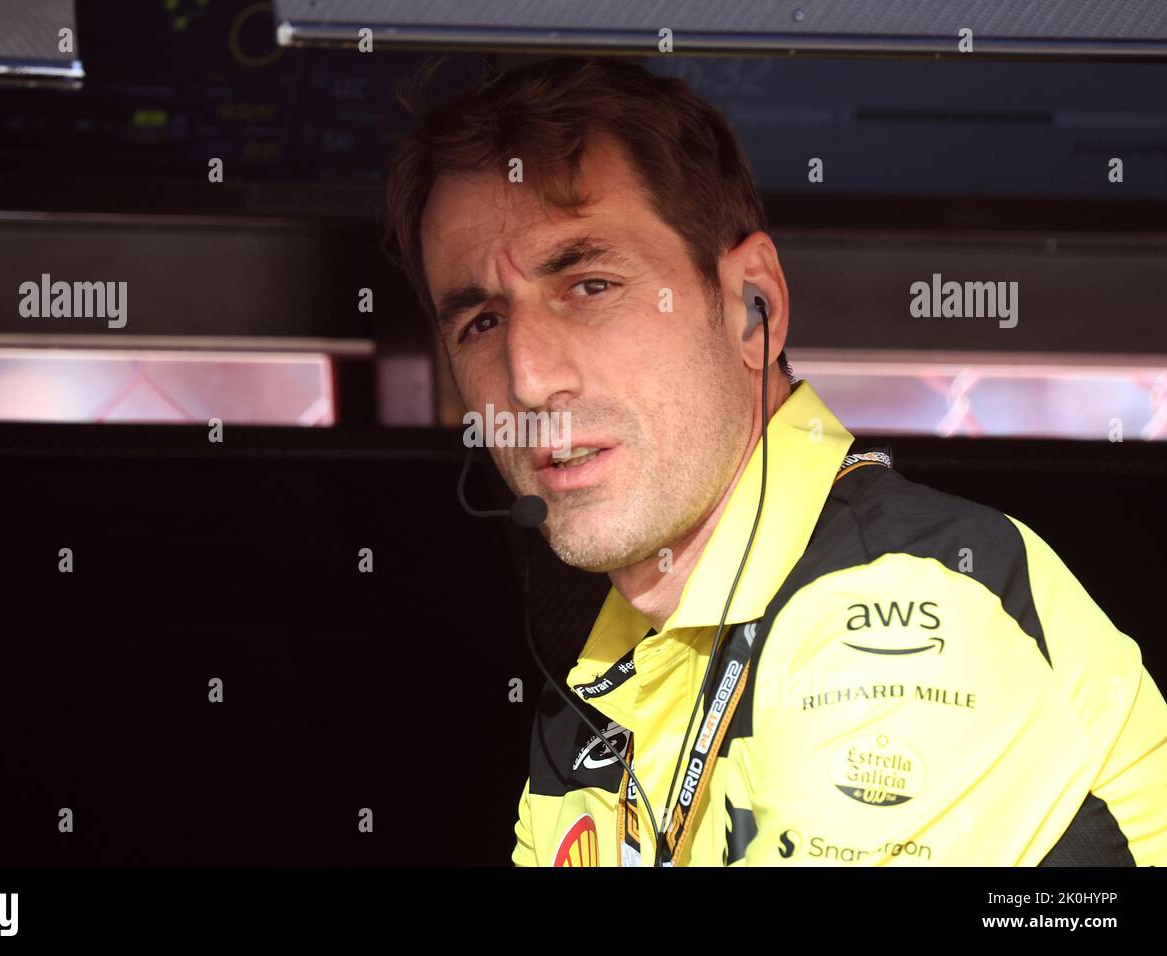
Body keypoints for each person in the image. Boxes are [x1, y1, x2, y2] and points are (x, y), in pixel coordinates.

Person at [381, 55, 1167, 866]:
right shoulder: (602, 673)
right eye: (481, 323)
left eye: (590, 286)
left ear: (753, 308)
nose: (531, 378)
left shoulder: (892, 614)